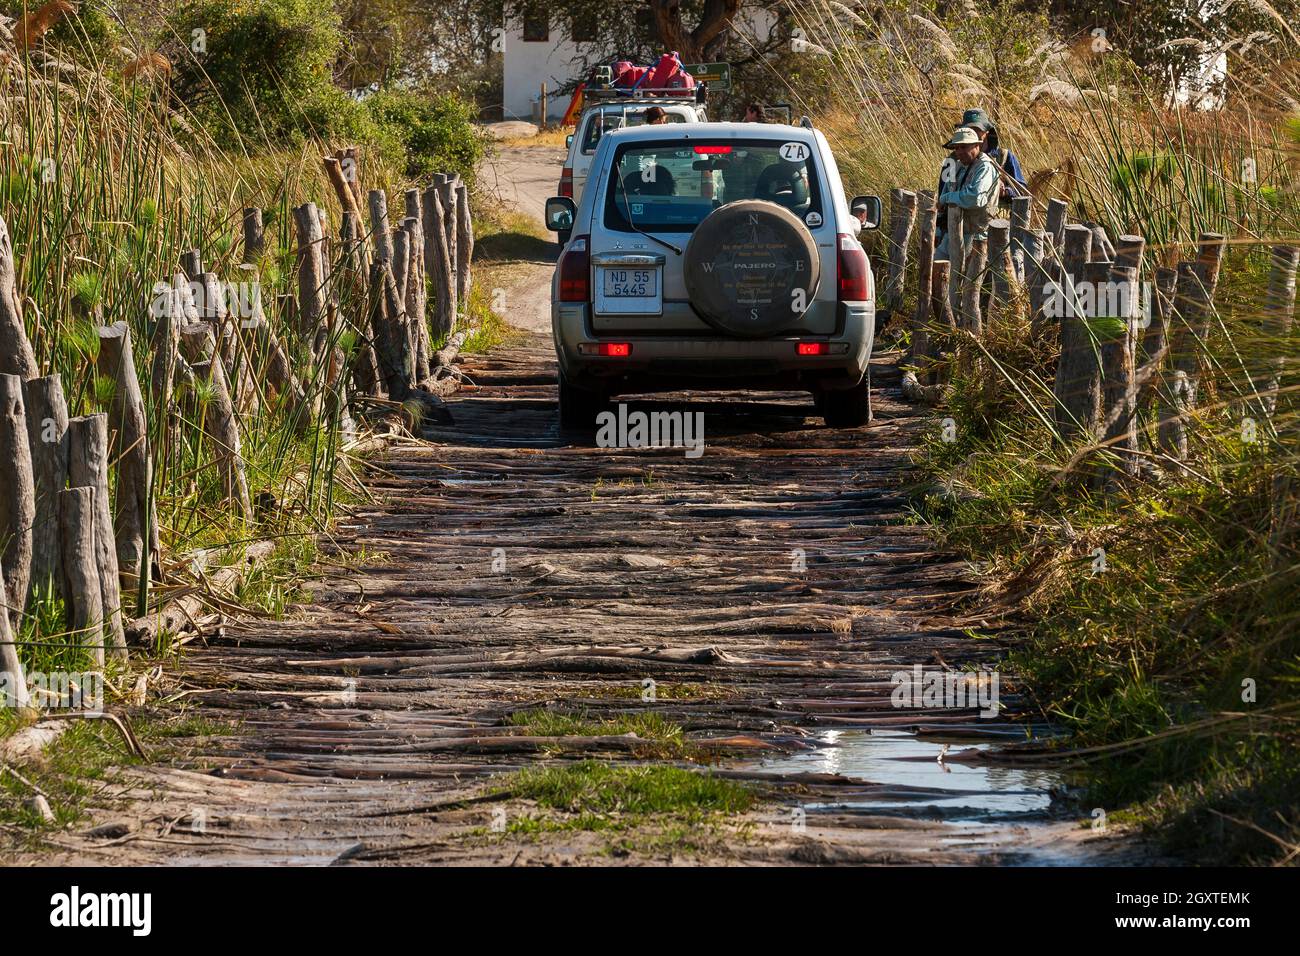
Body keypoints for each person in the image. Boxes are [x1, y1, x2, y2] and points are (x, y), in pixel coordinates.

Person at [934, 125, 1001, 261]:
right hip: (952, 233)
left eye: (964, 147)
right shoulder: (957, 166)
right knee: (935, 269)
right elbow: (944, 195)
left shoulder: (985, 167)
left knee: (964, 278)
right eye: (956, 148)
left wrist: (946, 198)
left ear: (977, 146)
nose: (959, 151)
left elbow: (975, 198)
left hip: (975, 238)